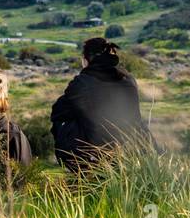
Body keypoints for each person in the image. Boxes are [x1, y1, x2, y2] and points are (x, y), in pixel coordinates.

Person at [51, 37, 149, 170]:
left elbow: (58, 112)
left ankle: (80, 167)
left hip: (97, 152)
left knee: (62, 122)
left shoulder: (82, 83)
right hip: (132, 146)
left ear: (85, 60)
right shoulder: (128, 79)